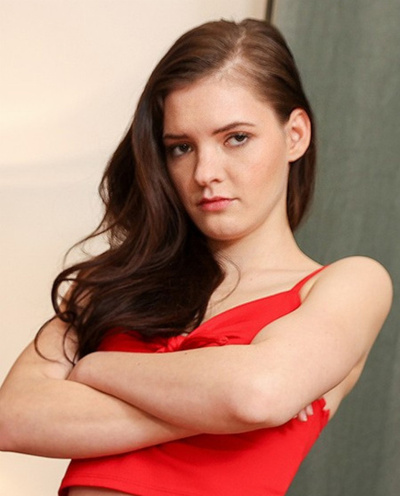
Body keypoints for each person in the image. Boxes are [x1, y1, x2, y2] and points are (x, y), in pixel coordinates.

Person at [0, 18, 392, 496]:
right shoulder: (113, 283)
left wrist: (95, 369)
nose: (205, 172)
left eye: (236, 138)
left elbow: (256, 394)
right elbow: (13, 416)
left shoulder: (348, 285)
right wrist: (211, 405)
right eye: (181, 147)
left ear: (295, 135)